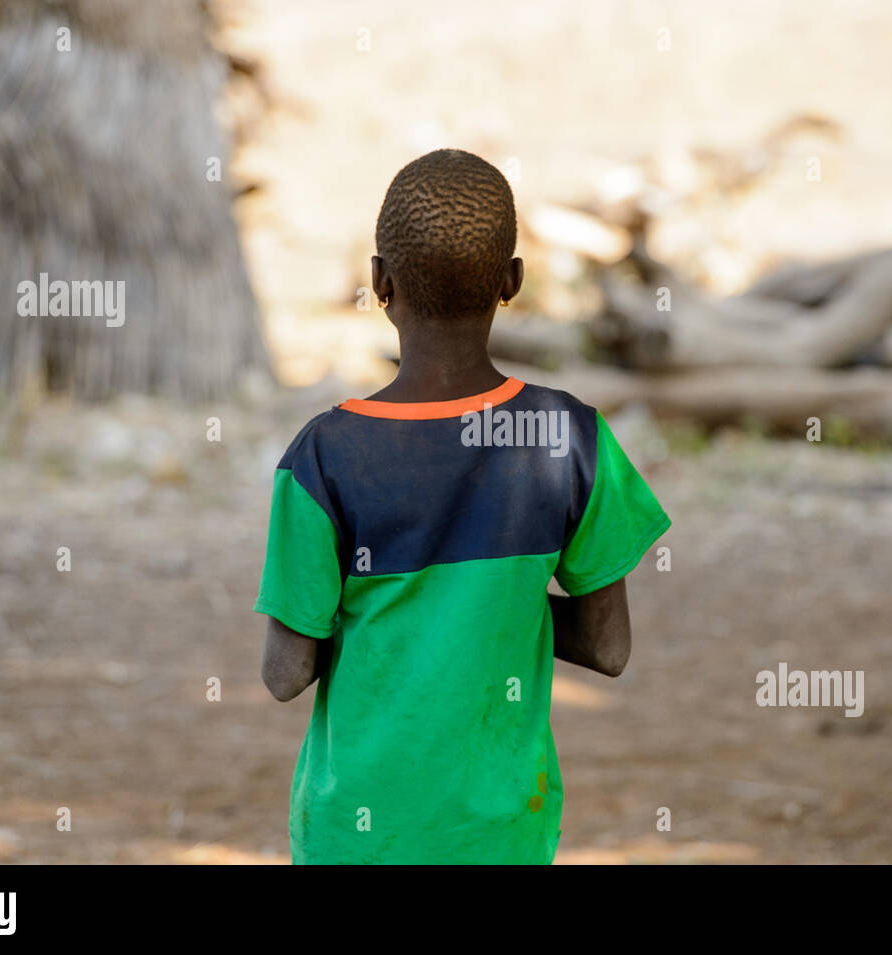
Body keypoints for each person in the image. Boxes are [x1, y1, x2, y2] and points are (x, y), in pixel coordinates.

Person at [256, 148, 670, 864]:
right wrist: (492, 605)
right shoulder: (571, 439)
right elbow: (610, 646)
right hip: (501, 833)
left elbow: (285, 674)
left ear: (380, 280)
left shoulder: (324, 456)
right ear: (512, 281)